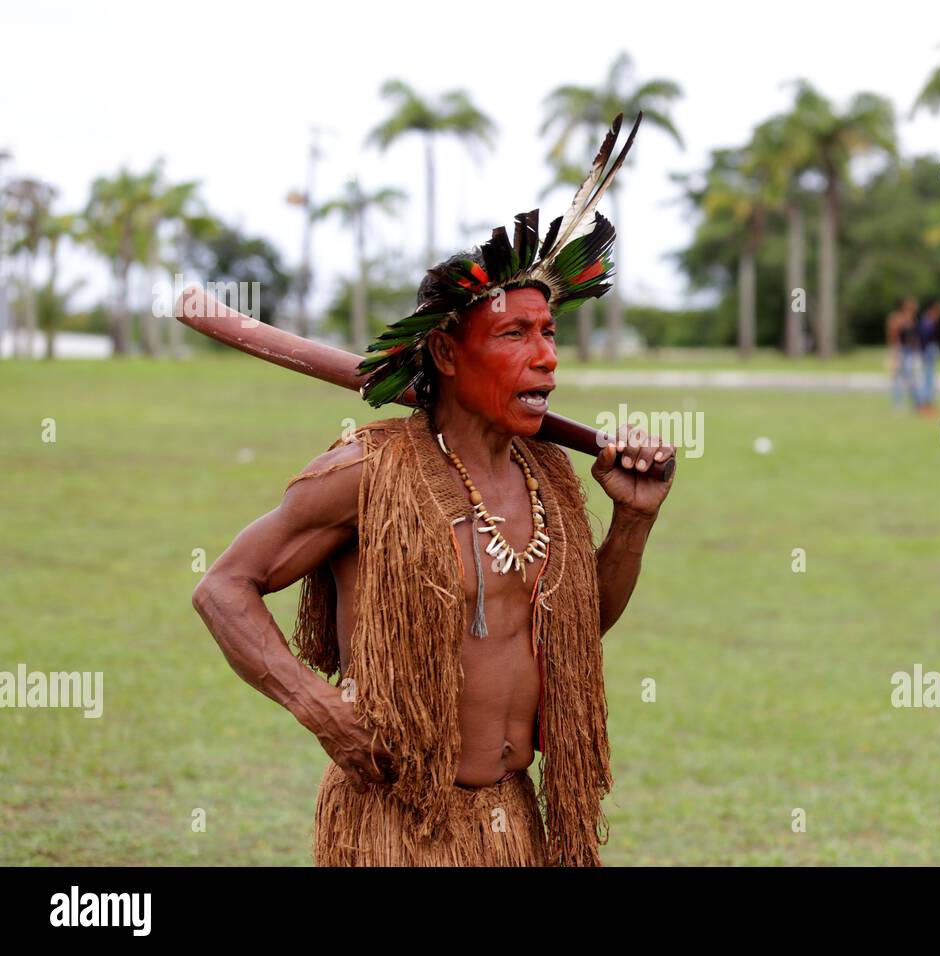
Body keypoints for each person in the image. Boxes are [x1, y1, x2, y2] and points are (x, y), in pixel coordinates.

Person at [192, 114, 677, 867]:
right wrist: (321, 710)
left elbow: (580, 628)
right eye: (514, 335)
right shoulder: (370, 472)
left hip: (516, 819)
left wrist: (633, 523)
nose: (546, 359)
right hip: (400, 827)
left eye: (549, 333)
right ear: (447, 352)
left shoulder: (547, 475)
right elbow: (224, 588)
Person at [885, 296, 917, 412]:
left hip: (909, 351)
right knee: (897, 378)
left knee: (911, 378)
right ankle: (898, 404)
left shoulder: (912, 319)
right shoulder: (896, 318)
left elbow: (913, 337)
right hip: (899, 350)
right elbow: (893, 336)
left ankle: (915, 403)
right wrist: (894, 351)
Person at [914, 299, 940, 414]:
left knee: (930, 378)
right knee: (928, 379)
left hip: (929, 351)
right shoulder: (927, 322)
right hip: (927, 352)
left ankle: (927, 403)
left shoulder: (930, 321)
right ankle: (924, 404)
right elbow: (924, 337)